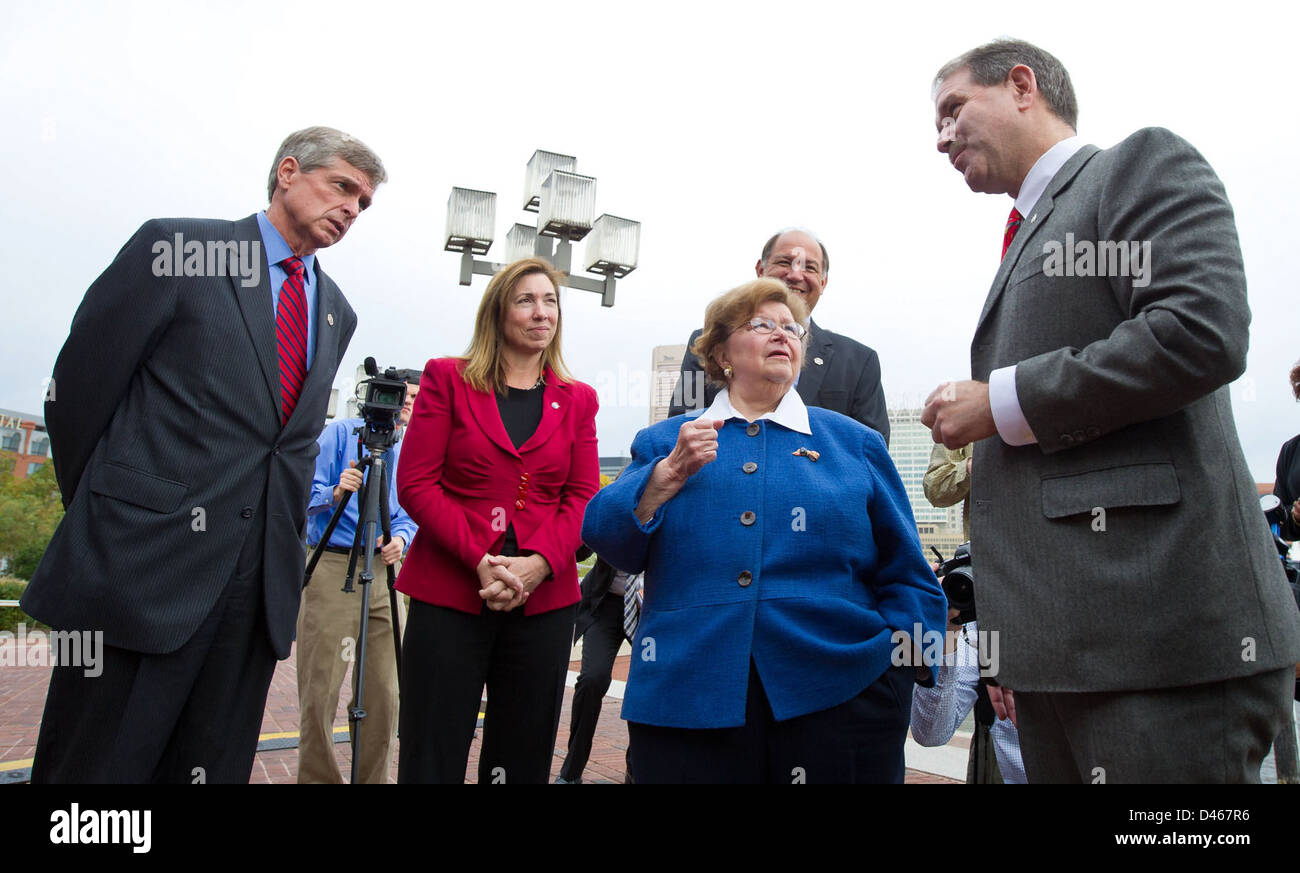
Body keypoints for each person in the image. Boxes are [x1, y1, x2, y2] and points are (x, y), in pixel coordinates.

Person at [922, 38, 1300, 782]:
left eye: (952, 108)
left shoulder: (1137, 166)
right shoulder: (1024, 234)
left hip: (1159, 646)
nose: (941, 137)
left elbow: (1200, 330)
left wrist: (999, 402)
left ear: (1022, 85)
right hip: (1060, 660)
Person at [23, 126, 386, 782]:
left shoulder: (335, 310)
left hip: (251, 601)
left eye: (364, 203)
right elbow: (77, 390)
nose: (353, 209)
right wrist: (116, 514)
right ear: (288, 172)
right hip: (142, 573)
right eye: (343, 188)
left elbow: (288, 444)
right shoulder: (180, 249)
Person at [583, 278, 946, 783]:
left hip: (843, 701)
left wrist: (901, 670)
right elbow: (605, 537)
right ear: (720, 352)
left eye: (792, 328)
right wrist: (664, 477)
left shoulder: (853, 443)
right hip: (685, 705)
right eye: (762, 324)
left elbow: (909, 574)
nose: (783, 334)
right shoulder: (667, 441)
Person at [395, 257, 599, 784]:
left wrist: (537, 565)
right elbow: (416, 484)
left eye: (550, 301)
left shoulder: (578, 400)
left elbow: (581, 497)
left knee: (523, 753)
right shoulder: (447, 378)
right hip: (450, 592)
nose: (541, 312)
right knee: (432, 748)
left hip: (543, 603)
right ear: (498, 313)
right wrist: (479, 560)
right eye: (526, 300)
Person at [297, 371, 420, 784]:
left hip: (385, 569)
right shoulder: (340, 434)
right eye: (404, 396)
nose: (408, 405)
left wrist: (400, 536)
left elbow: (409, 511)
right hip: (334, 563)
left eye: (418, 399)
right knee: (321, 690)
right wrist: (333, 492)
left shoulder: (412, 448)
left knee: (385, 694)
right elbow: (301, 493)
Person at [667, 229, 890, 445]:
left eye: (810, 267)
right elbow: (681, 424)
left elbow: (872, 453)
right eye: (784, 262)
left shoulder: (860, 361)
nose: (794, 275)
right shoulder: (708, 341)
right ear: (760, 270)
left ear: (823, 283)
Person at [555, 548, 638, 784]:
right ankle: (571, 772)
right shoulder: (614, 509)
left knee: (645, 685)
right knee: (592, 679)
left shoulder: (666, 509)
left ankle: (636, 767)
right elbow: (580, 550)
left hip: (650, 605)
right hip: (605, 604)